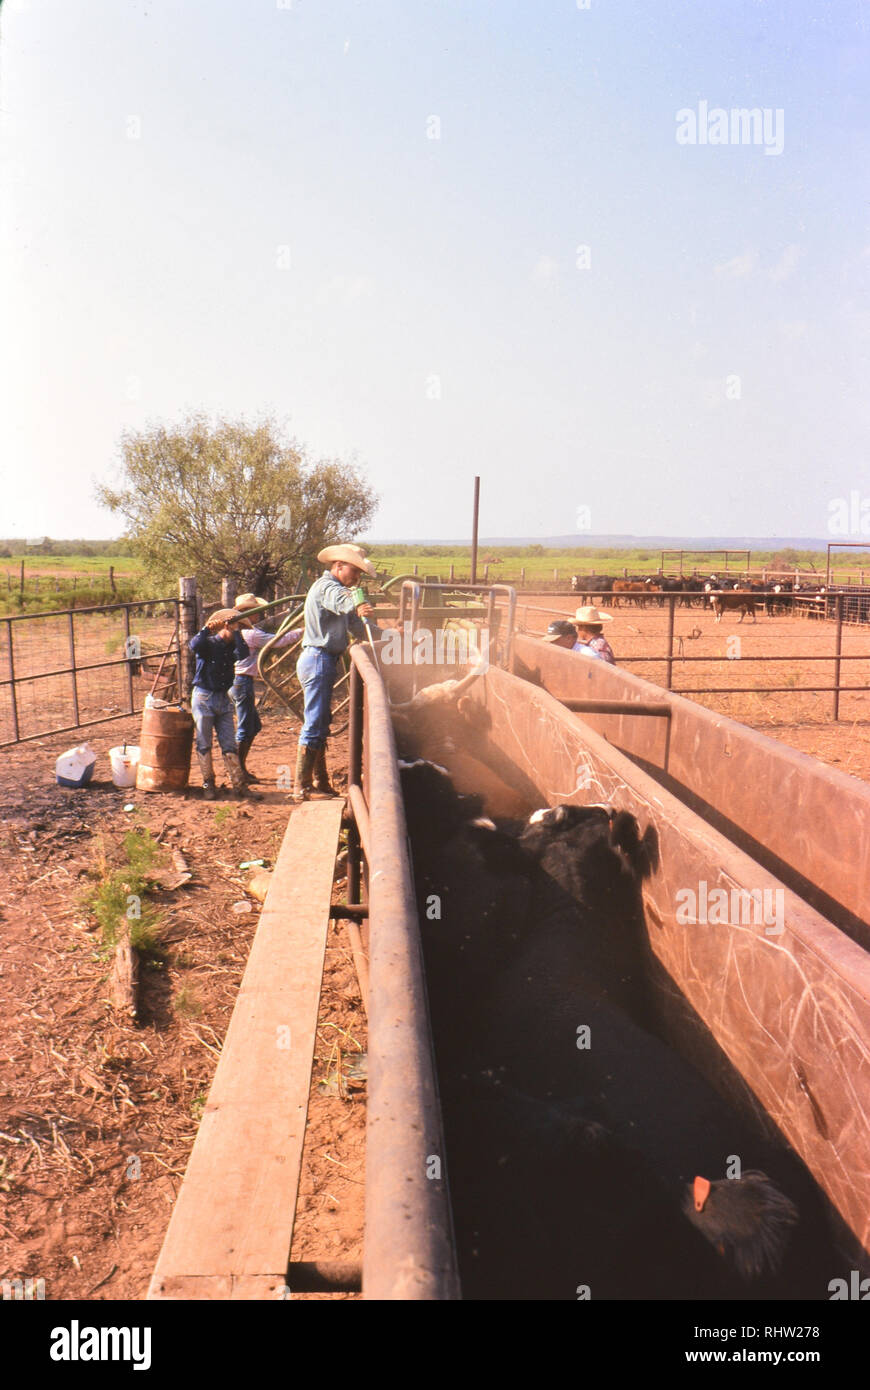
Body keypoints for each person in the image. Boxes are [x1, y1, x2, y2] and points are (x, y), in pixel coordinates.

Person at [294, 543, 379, 802]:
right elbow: (341, 601)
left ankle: (318, 781)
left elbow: (360, 628)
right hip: (318, 658)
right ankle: (301, 786)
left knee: (320, 721)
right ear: (339, 565)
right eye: (355, 571)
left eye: (359, 574)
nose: (357, 578)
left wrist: (392, 636)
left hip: (324, 660)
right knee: (315, 722)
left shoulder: (341, 594)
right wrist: (356, 601)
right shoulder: (326, 588)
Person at [189, 608, 261, 801]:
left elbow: (243, 652)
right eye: (236, 627)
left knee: (228, 743)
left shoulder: (232, 647)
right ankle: (208, 784)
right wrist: (206, 629)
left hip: (222, 698)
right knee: (204, 743)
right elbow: (194, 644)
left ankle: (239, 785)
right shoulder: (208, 644)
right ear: (223, 627)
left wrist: (235, 631)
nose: (239, 631)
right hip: (204, 697)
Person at [231, 593, 302, 783]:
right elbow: (277, 641)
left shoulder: (243, 631)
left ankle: (240, 769)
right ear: (248, 612)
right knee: (246, 727)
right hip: (242, 680)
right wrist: (302, 631)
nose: (259, 615)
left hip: (241, 681)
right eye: (255, 611)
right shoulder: (251, 634)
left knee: (253, 725)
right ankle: (237, 772)